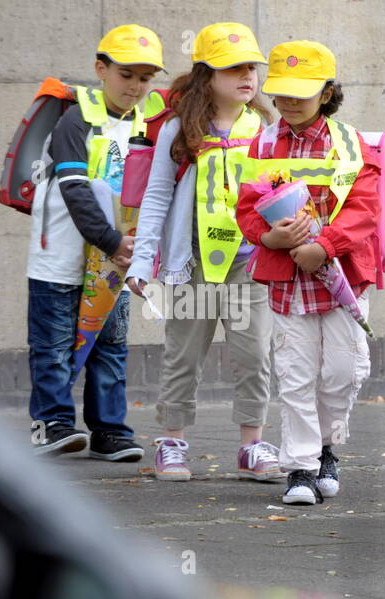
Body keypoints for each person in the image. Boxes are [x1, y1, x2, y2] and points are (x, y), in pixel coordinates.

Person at [126, 22, 279, 483]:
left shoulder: (266, 128)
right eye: (233, 68)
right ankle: (172, 442)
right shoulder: (180, 127)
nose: (246, 76)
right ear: (206, 74)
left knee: (254, 355)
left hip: (247, 264)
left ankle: (251, 446)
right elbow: (156, 197)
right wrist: (141, 260)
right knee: (182, 355)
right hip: (189, 264)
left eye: (251, 67)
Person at [235, 41, 379, 506]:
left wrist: (324, 246)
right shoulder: (261, 142)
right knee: (296, 374)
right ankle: (299, 468)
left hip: (340, 278)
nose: (291, 101)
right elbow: (245, 207)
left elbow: (365, 208)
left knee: (342, 372)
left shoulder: (354, 143)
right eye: (283, 92)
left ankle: (325, 448)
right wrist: (267, 238)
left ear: (328, 91)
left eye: (304, 91)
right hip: (287, 280)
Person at [26, 24, 164, 461]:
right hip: (60, 256)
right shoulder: (76, 118)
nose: (136, 86)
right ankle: (51, 424)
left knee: (110, 346)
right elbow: (75, 187)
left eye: (145, 77)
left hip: (113, 263)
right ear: (101, 69)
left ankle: (110, 431)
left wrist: (133, 249)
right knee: (52, 345)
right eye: (127, 75)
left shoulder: (149, 121)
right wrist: (112, 241)